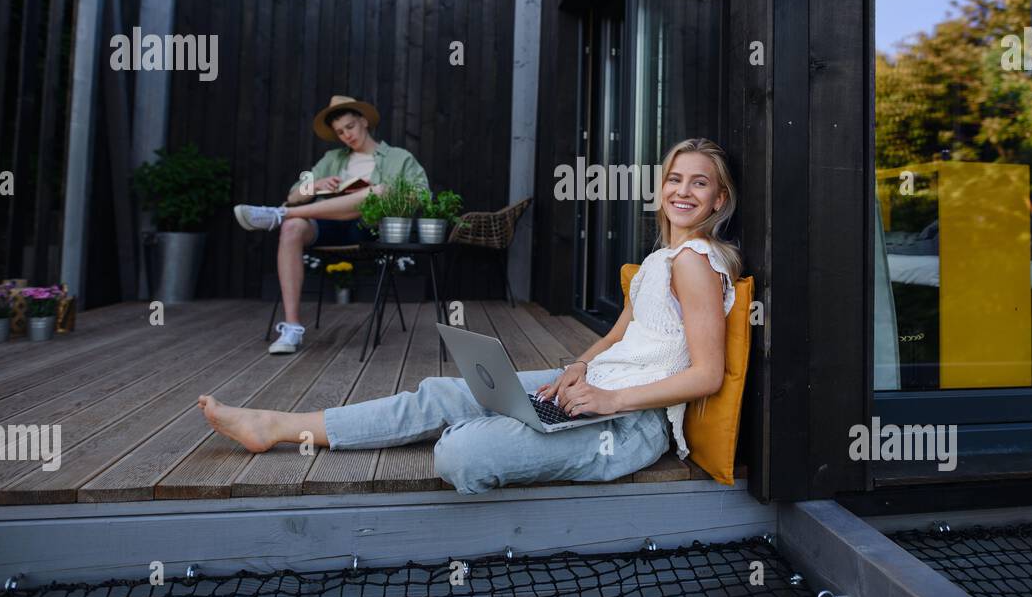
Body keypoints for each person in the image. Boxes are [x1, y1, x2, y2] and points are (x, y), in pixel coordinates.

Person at [201, 137, 742, 495]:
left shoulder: (696, 263)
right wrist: (578, 366)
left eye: (699, 182)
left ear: (719, 199)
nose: (683, 190)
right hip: (597, 389)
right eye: (675, 178)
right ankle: (276, 426)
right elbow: (622, 333)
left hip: (631, 423)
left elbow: (705, 375)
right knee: (441, 392)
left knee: (462, 453)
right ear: (660, 188)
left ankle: (505, 425)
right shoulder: (658, 260)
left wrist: (609, 399)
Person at [232, 94, 429, 354]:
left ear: (363, 122)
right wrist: (315, 185)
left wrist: (379, 194)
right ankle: (291, 328)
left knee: (378, 191)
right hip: (329, 226)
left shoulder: (398, 157)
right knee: (293, 229)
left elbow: (422, 195)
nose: (346, 135)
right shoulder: (332, 159)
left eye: (350, 127)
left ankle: (280, 215)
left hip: (369, 227)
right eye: (340, 132)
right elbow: (293, 194)